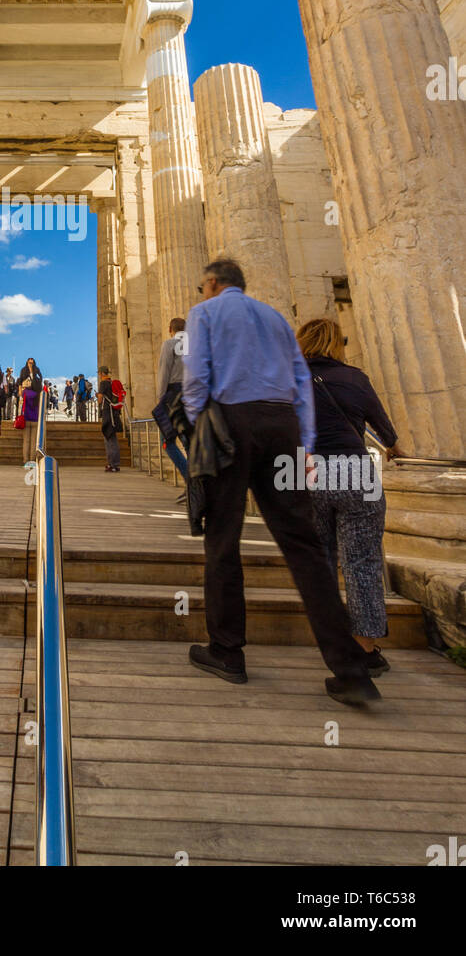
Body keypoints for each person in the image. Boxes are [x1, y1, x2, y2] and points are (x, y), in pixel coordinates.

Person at [182, 257, 380, 708]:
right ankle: (350, 670)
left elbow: (196, 379)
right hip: (283, 425)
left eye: (201, 287)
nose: (200, 293)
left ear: (212, 284)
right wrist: (305, 443)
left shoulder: (205, 314)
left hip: (230, 420)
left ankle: (227, 651)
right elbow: (299, 381)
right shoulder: (273, 317)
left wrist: (200, 430)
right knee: (304, 545)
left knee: (222, 537)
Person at [297, 317, 405, 677]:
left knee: (321, 565)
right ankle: (367, 647)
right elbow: (383, 426)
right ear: (336, 344)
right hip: (354, 471)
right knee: (362, 563)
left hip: (307, 472)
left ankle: (333, 644)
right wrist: (392, 447)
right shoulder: (355, 378)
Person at [153, 317, 189, 481]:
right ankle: (197, 483)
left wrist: (161, 399)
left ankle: (190, 479)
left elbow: (164, 372)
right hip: (192, 394)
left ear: (170, 329)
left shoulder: (169, 344)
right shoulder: (194, 345)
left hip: (174, 394)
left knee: (167, 440)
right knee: (188, 439)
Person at [18, 357, 43, 465]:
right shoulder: (38, 395)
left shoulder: (25, 393)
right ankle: (32, 460)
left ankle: (25, 460)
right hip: (35, 417)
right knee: (33, 442)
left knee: (26, 441)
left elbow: (21, 391)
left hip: (27, 417)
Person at [98, 366, 123, 472]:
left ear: (102, 373)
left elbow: (100, 398)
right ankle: (115, 464)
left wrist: (99, 399)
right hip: (114, 412)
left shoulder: (103, 383)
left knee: (109, 439)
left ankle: (112, 464)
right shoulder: (111, 382)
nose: (99, 375)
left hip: (107, 413)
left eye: (99, 373)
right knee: (113, 439)